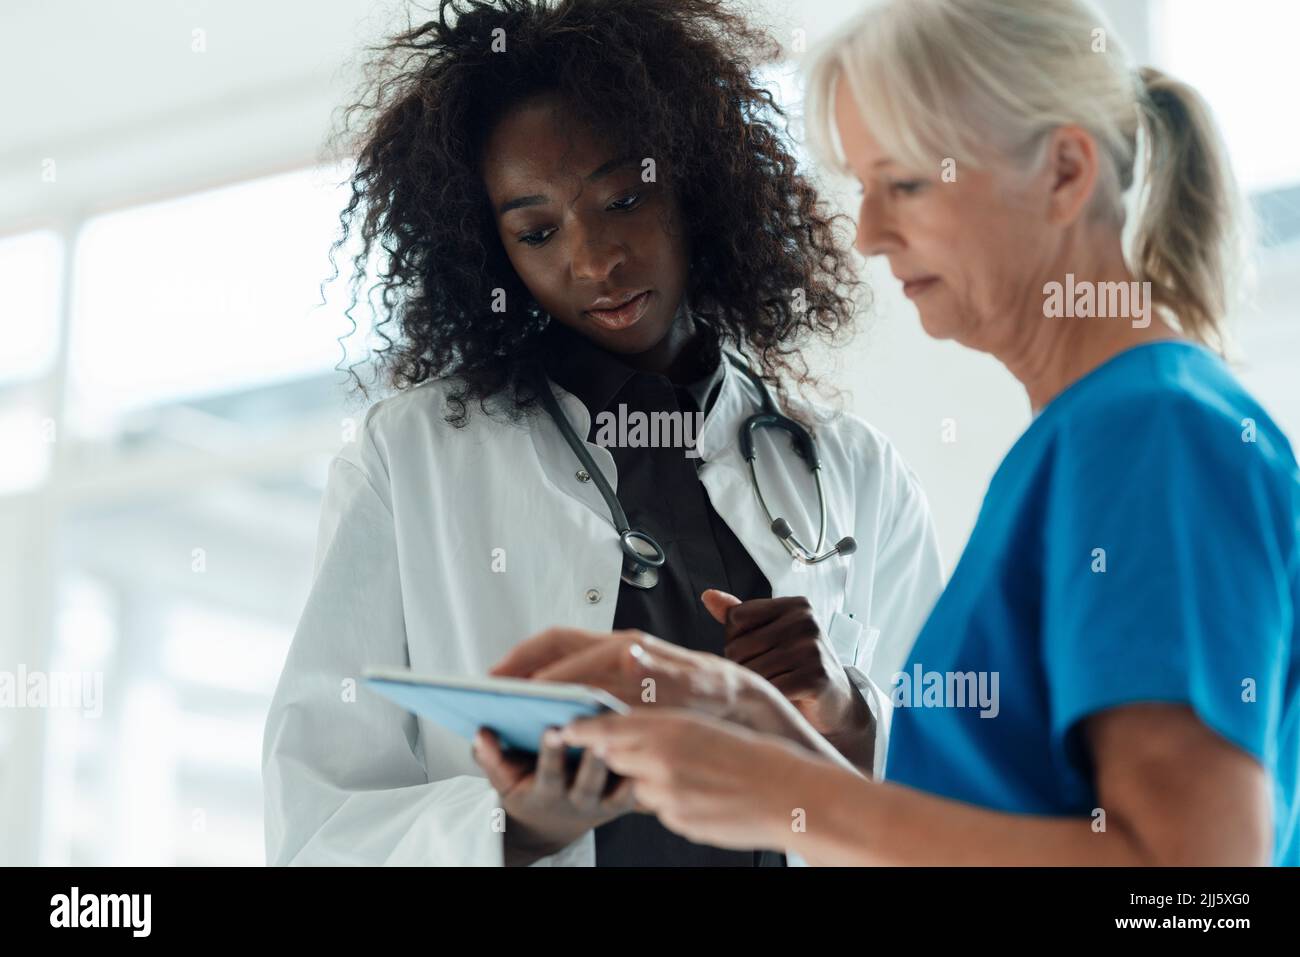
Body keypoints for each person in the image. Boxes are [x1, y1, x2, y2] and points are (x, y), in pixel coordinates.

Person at [546, 0, 1300, 865]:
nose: (866, 234)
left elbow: (1193, 892)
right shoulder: (1087, 440)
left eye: (905, 184)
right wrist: (785, 735)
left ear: (1063, 172)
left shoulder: (1147, 435)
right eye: (864, 189)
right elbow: (1010, 804)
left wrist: (796, 798)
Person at [261, 0, 944, 867]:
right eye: (537, 230)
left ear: (693, 183)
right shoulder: (414, 460)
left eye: (624, 198)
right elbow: (317, 822)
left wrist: (849, 708)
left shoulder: (854, 469)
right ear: (489, 250)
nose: (593, 260)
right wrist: (521, 824)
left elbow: (972, 789)